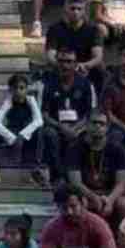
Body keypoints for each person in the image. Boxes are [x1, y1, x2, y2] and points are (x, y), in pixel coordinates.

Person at [39, 48, 100, 184]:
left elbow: (91, 113)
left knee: (88, 135)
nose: (64, 65)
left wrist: (76, 128)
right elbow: (43, 114)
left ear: (75, 64)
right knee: (49, 134)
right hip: (56, 125)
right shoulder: (48, 84)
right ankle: (59, 177)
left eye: (69, 61)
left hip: (80, 126)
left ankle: (84, 178)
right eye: (61, 61)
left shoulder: (86, 84)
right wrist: (61, 127)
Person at [0, 72, 45, 188]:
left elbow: (39, 120)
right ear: (10, 90)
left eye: (22, 88)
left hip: (26, 137)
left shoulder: (31, 100)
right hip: (12, 135)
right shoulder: (9, 101)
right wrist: (12, 138)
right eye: (15, 88)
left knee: (40, 130)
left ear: (27, 89)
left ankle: (35, 169)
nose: (18, 91)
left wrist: (22, 135)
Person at [45, 0, 107, 93]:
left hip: (85, 67)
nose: (75, 12)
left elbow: (98, 57)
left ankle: (100, 103)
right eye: (72, 8)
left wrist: (85, 66)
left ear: (84, 11)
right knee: (49, 71)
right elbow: (50, 56)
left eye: (79, 9)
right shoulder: (54, 29)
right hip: (63, 66)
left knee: (101, 69)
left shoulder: (94, 30)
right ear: (65, 9)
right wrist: (67, 66)